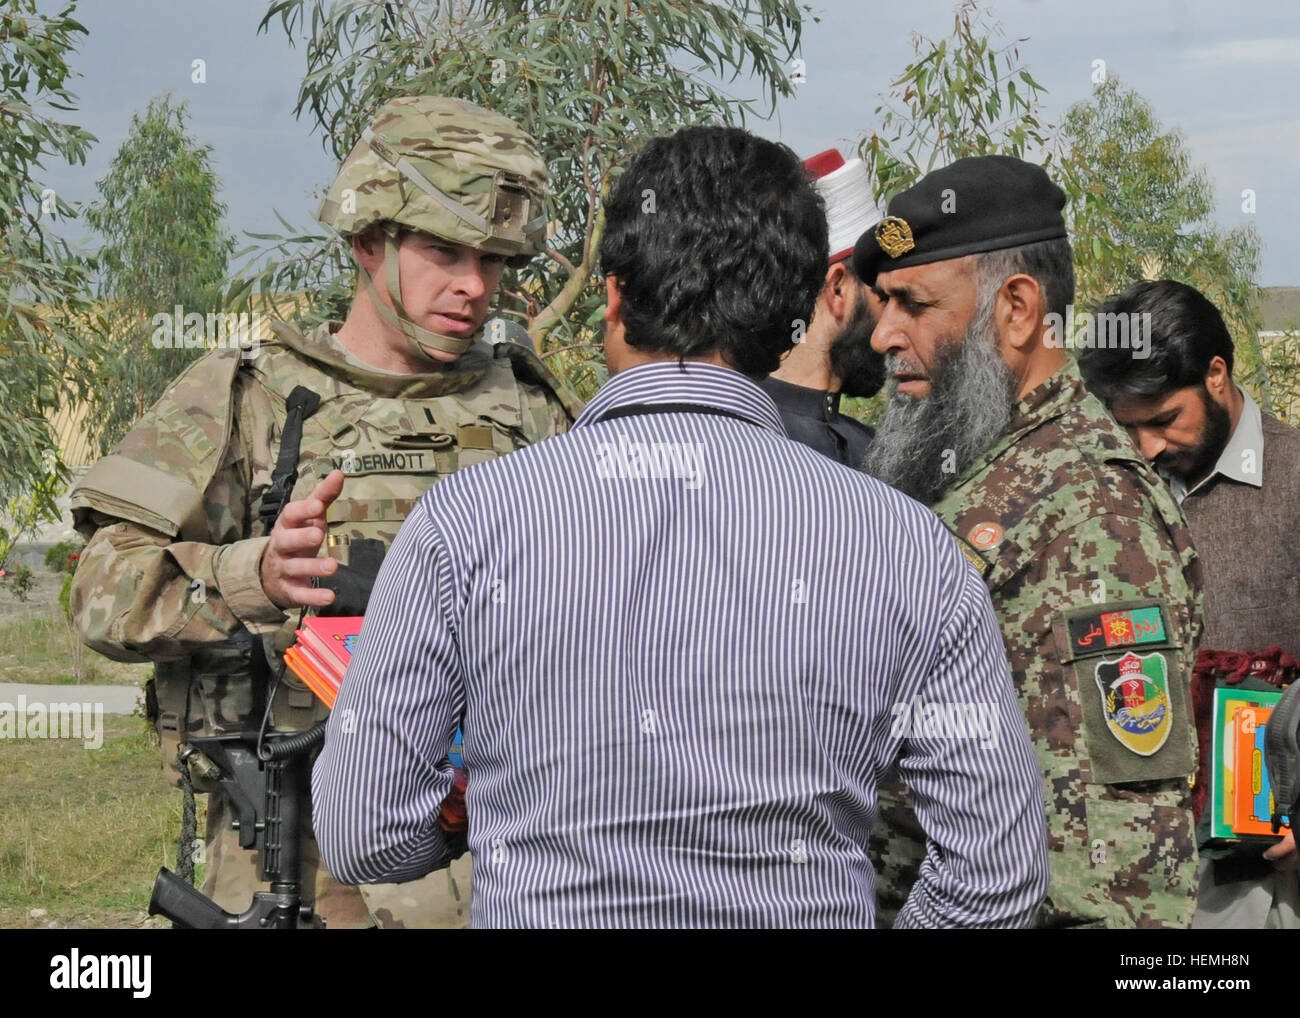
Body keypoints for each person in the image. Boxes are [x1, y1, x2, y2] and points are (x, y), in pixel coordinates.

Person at [311, 124, 1049, 929]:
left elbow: (360, 833)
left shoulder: (466, 524)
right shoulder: (907, 547)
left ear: (617, 295)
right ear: (791, 318)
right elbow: (998, 871)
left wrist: (472, 821)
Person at [69, 95, 578, 928]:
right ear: (367, 240)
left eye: (494, 260)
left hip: (498, 851)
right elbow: (99, 590)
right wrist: (248, 575)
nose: (474, 285)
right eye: (445, 250)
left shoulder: (531, 409)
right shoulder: (247, 397)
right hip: (294, 855)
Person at [857, 155, 1204, 928]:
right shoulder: (972, 463)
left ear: (1016, 309)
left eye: (913, 304)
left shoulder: (1094, 516)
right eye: (883, 302)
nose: (883, 334)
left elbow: (1115, 884)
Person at [1078, 279, 1299, 929]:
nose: (1145, 446)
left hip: (1261, 875)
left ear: (1217, 374)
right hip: (1126, 869)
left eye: (1164, 419)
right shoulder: (1105, 491)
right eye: (1127, 425)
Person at [759, 150, 884, 467]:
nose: (895, 322)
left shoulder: (875, 452)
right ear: (838, 288)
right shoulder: (751, 440)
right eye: (883, 294)